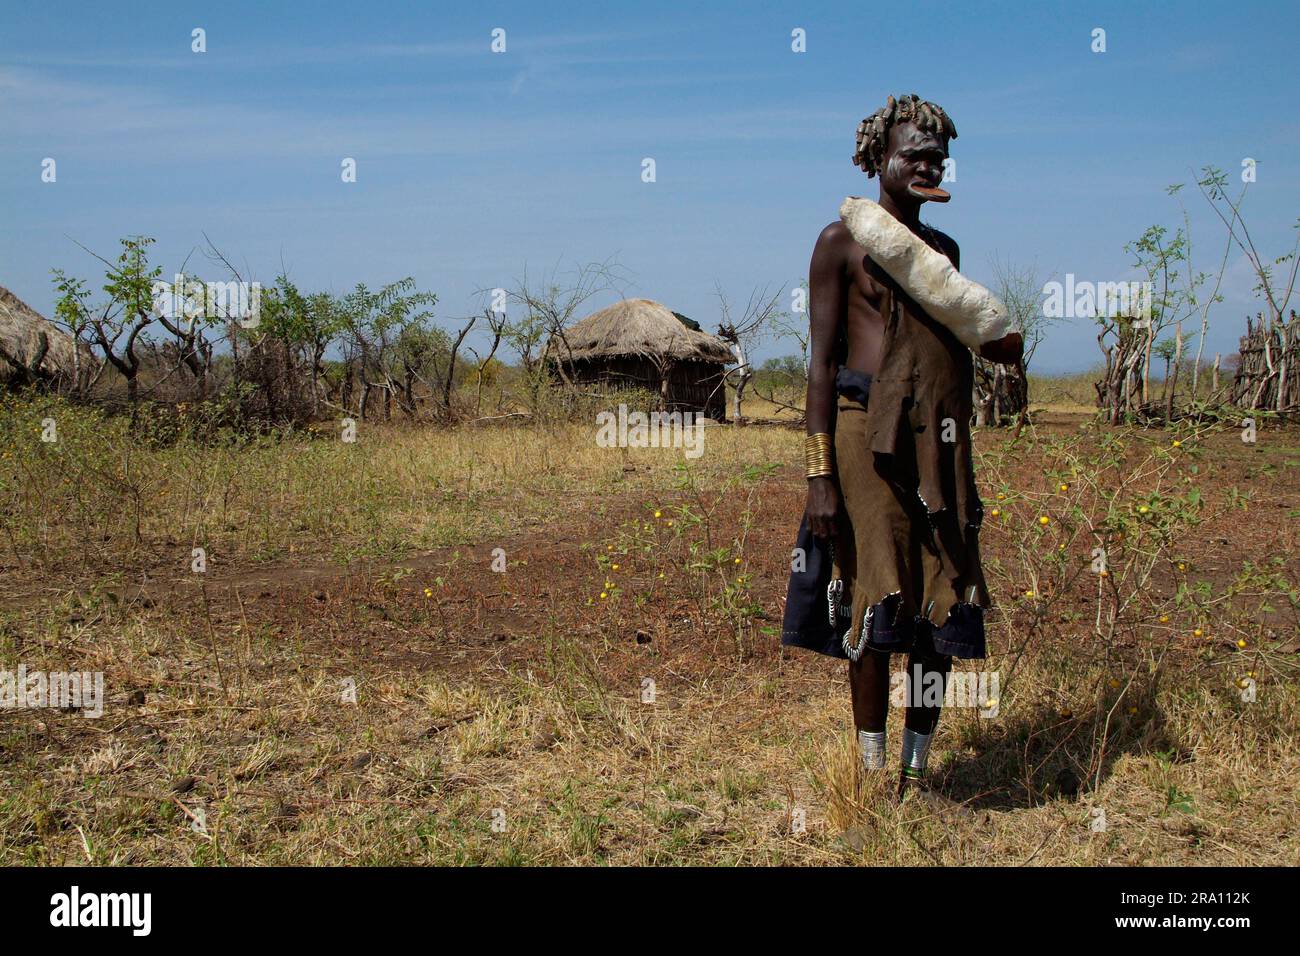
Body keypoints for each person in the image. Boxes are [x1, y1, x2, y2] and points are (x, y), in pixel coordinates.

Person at [781, 94, 1022, 800]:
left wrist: (1003, 346)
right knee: (878, 593)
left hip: (938, 441)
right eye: (914, 153)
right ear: (876, 159)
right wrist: (819, 476)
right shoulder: (840, 242)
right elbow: (821, 365)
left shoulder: (943, 254)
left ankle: (917, 771)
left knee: (939, 597)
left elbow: (963, 342)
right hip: (862, 431)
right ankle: (871, 773)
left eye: (938, 157)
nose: (928, 165)